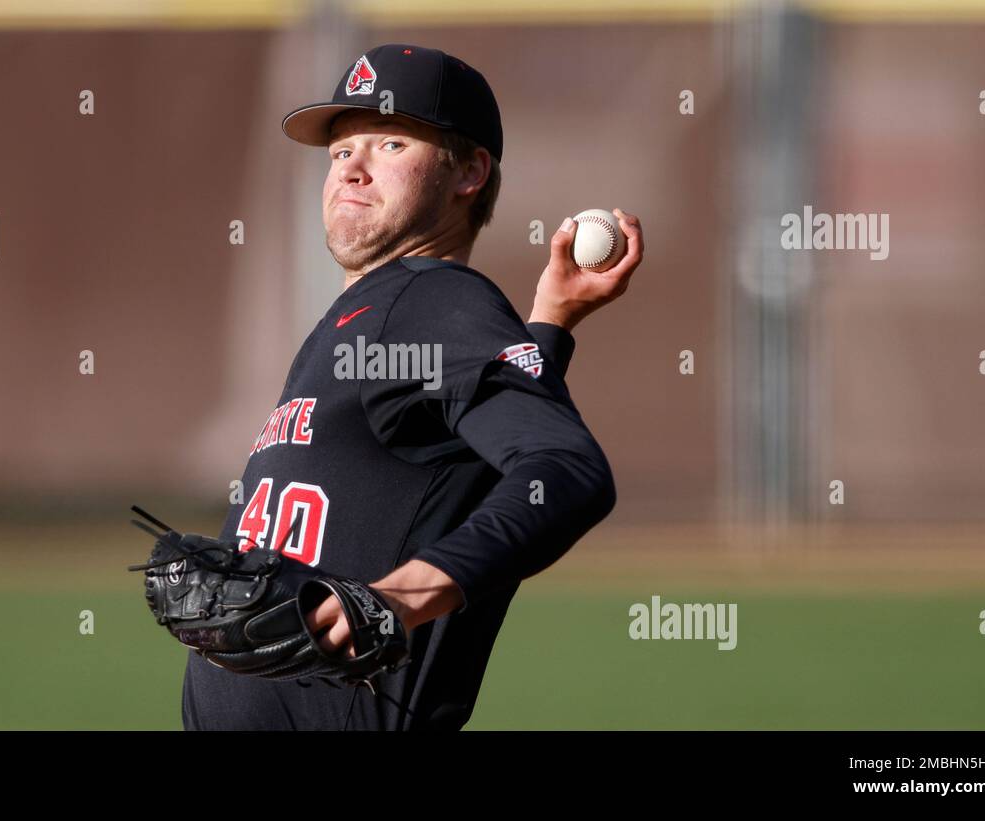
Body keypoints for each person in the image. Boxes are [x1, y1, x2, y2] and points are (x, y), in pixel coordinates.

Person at [181, 43, 644, 730]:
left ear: (470, 171)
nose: (352, 170)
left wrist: (400, 596)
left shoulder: (429, 300)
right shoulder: (373, 314)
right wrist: (548, 326)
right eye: (339, 152)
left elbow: (565, 470)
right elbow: (469, 466)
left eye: (391, 143)